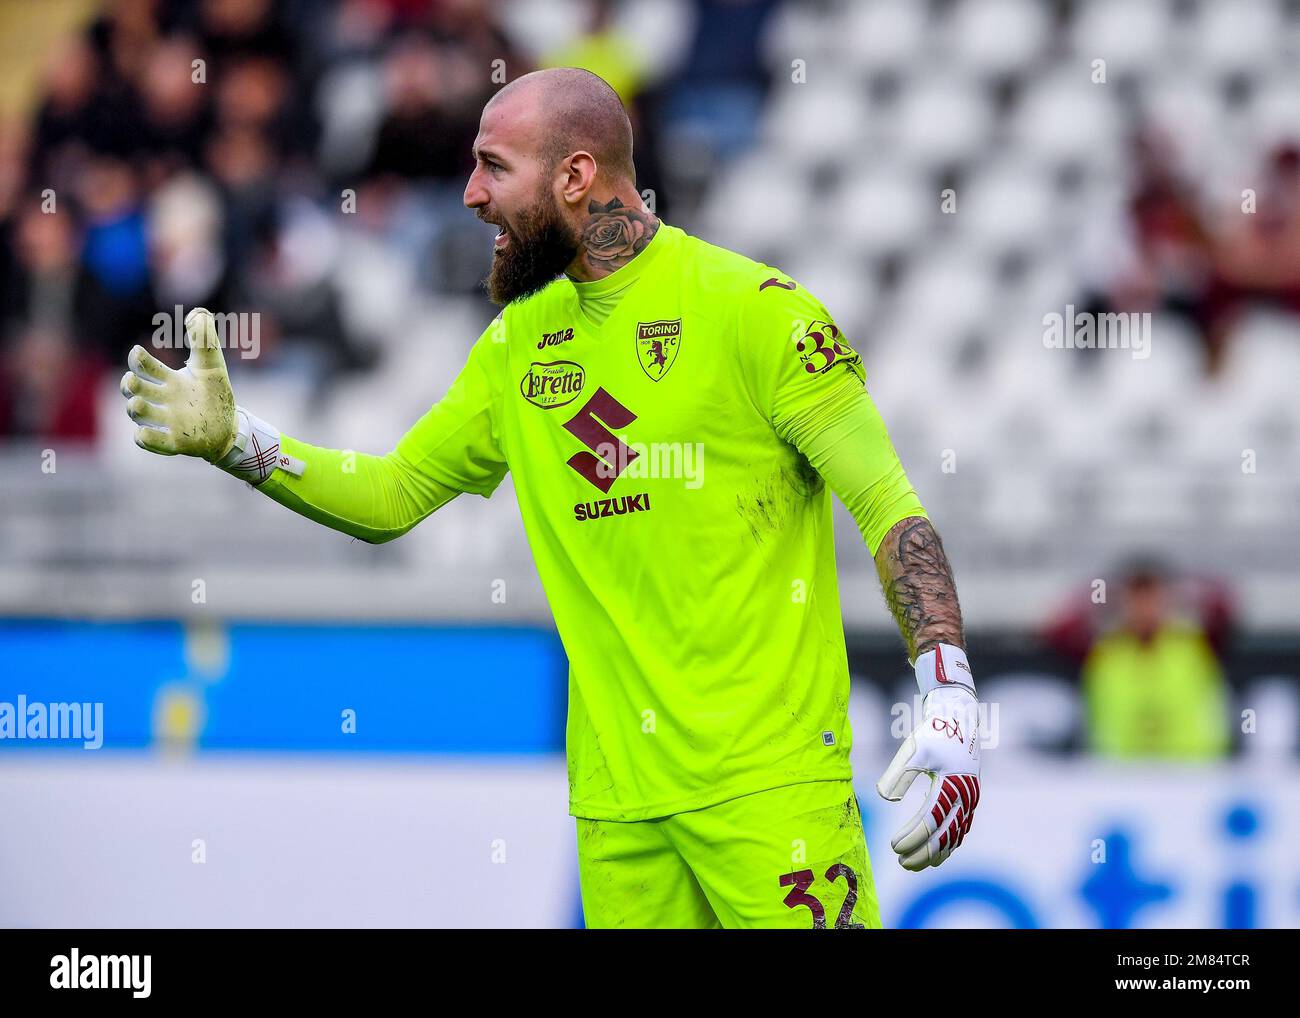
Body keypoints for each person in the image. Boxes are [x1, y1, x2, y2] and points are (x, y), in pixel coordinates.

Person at [118, 68, 981, 929]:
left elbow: (888, 507)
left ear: (574, 176)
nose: (469, 195)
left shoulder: (758, 313)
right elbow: (393, 495)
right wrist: (240, 444)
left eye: (494, 167)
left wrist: (947, 689)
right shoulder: (516, 346)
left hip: (771, 787)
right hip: (617, 808)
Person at [1082, 565, 1230, 760]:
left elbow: (1213, 712)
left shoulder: (1192, 650)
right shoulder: (1107, 654)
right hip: (1122, 773)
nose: (1145, 610)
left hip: (1188, 769)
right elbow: (1098, 718)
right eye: (1137, 601)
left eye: (1152, 600)